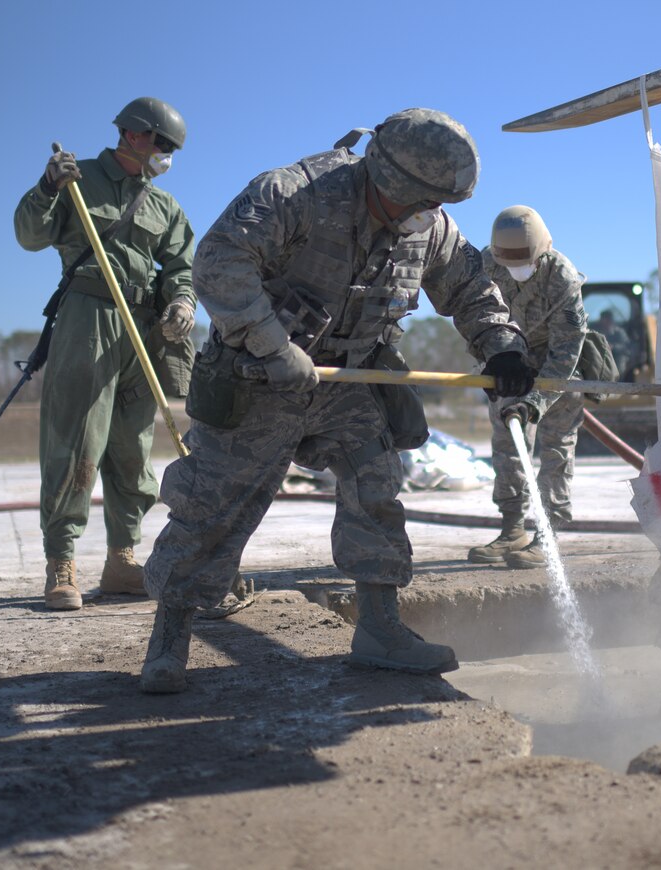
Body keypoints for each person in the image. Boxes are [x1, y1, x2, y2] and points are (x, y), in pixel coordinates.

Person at [139, 109, 535, 693]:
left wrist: (502, 346)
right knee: (213, 503)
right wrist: (272, 343)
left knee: (374, 484)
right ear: (389, 183)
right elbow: (219, 262)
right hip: (258, 377)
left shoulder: (429, 225)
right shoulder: (295, 193)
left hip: (348, 382)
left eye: (433, 205)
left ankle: (378, 628)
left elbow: (471, 286)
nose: (425, 215)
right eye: (418, 202)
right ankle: (170, 638)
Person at [13, 97, 197, 611]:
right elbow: (29, 236)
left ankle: (122, 560)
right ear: (136, 135)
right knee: (75, 442)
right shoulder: (76, 179)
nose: (166, 155)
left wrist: (182, 300)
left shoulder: (165, 206)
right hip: (88, 316)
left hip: (143, 330)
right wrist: (47, 186)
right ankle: (61, 562)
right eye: (163, 144)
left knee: (132, 447)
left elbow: (182, 265)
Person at [468, 206, 588, 569]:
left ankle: (546, 536)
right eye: (509, 262)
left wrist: (534, 402)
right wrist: (487, 366)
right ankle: (512, 530)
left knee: (555, 451)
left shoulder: (563, 279)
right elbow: (473, 319)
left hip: (555, 369)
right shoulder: (484, 266)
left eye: (526, 261)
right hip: (507, 361)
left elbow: (566, 351)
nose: (516, 270)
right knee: (507, 447)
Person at [595, 309, 632, 379]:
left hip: (616, 357)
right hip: (599, 356)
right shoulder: (595, 332)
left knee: (620, 359)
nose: (606, 322)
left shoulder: (619, 333)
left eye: (607, 319)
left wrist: (613, 347)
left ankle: (618, 380)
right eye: (604, 319)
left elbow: (626, 347)